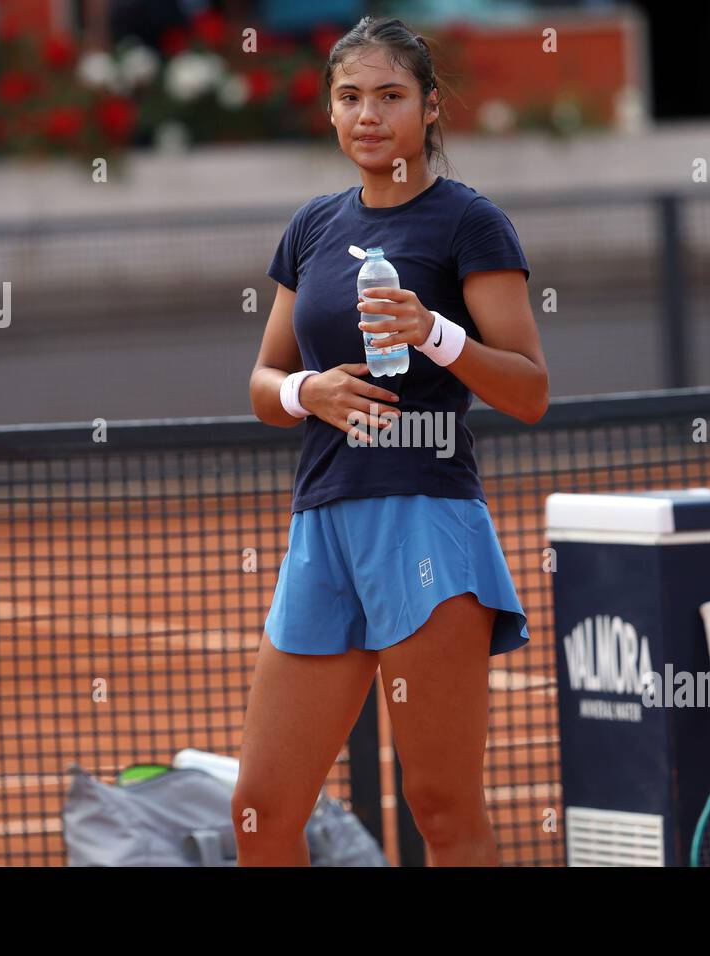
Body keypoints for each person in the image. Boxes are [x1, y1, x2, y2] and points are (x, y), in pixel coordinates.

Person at [235, 15, 548, 867]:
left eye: (389, 96)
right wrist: (311, 390)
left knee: (442, 810)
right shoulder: (311, 229)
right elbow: (264, 385)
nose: (367, 115)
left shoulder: (468, 223)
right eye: (349, 98)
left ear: (430, 109)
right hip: (323, 524)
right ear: (332, 114)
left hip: (427, 525)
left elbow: (529, 389)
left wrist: (433, 333)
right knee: (261, 811)